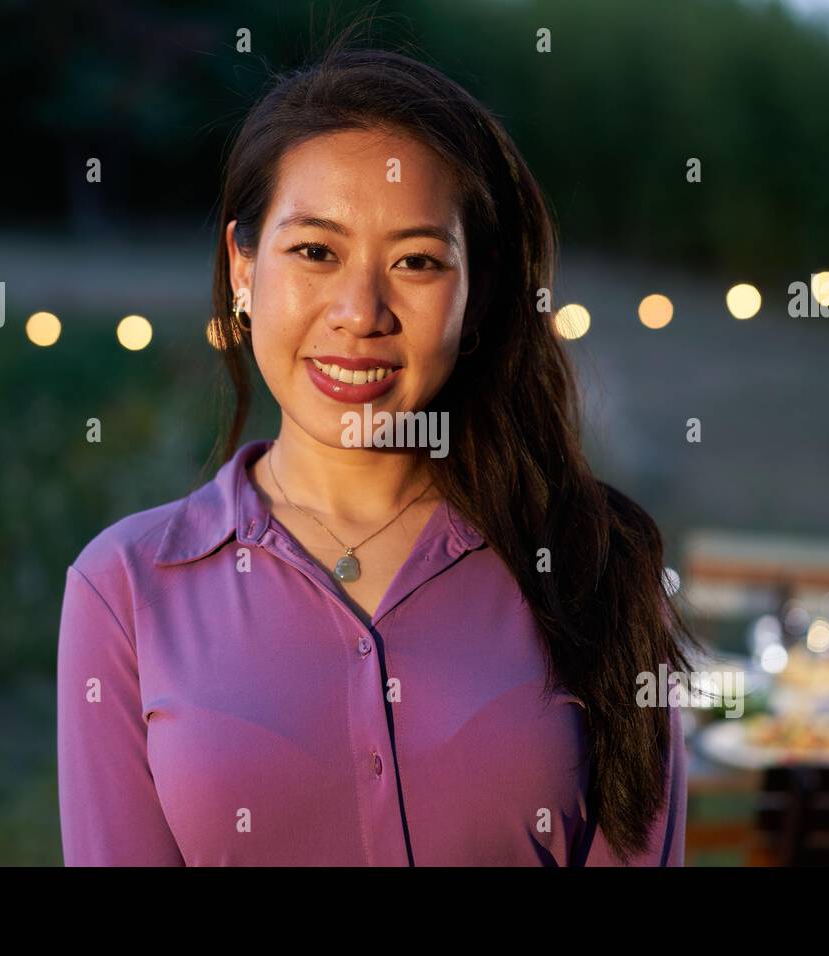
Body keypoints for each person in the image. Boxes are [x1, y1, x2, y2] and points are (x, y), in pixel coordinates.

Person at [57, 41, 698, 866]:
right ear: (242, 268)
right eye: (316, 251)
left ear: (477, 295)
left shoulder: (596, 565)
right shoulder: (125, 591)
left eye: (418, 262)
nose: (361, 312)